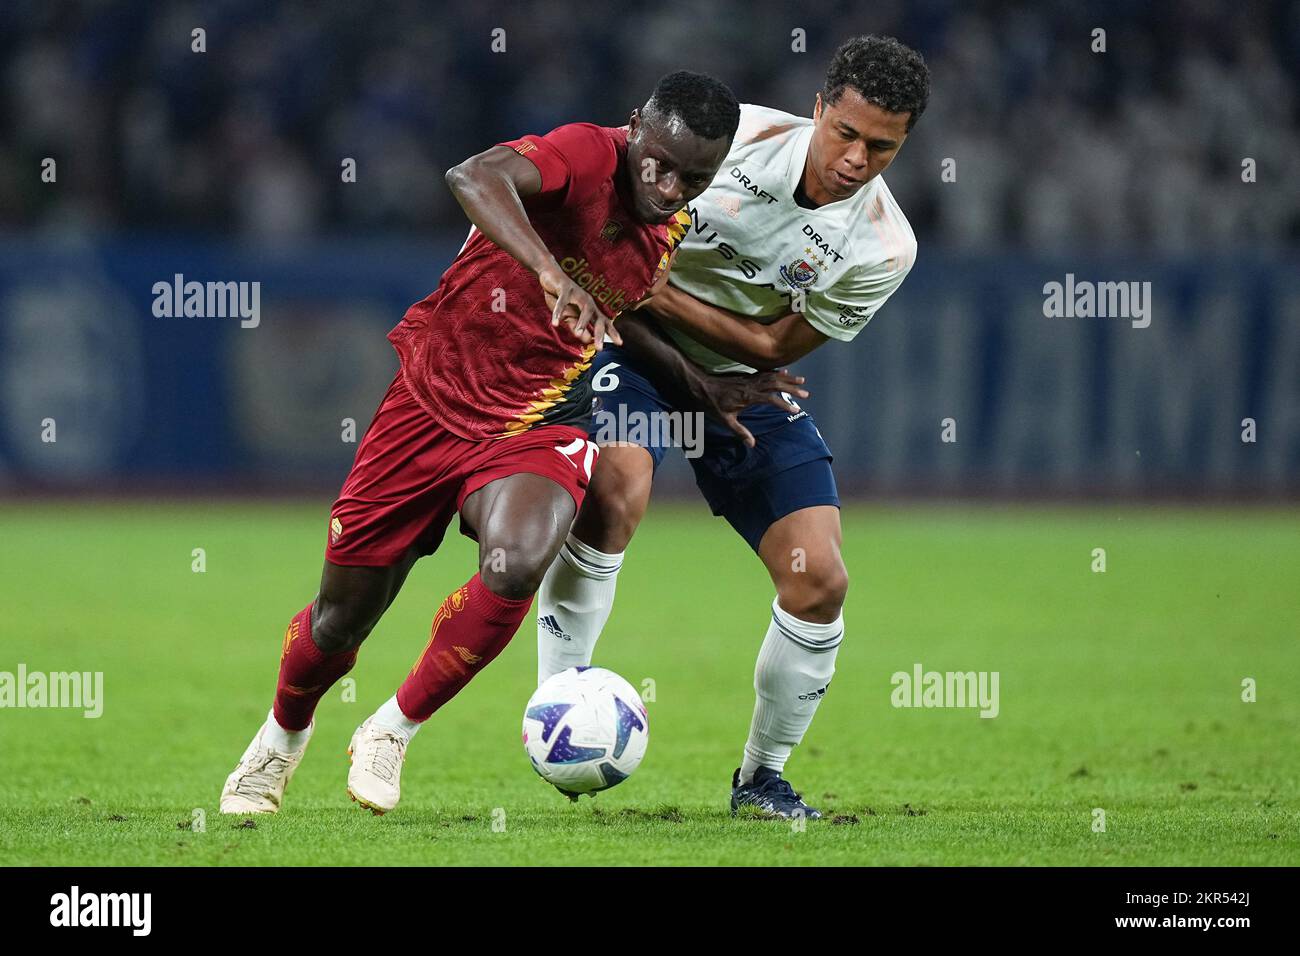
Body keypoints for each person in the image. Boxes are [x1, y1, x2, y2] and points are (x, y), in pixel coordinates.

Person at [220, 70, 746, 815]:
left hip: (540, 418)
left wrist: (698, 383)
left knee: (518, 562)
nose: (669, 185)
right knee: (341, 619)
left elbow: (622, 310)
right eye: (659, 162)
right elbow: (471, 175)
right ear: (635, 128)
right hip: (430, 403)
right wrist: (545, 271)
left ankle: (392, 727)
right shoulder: (585, 155)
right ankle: (278, 741)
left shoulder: (671, 228)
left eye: (695, 175)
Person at [536, 36, 931, 819]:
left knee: (819, 579)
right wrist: (635, 297)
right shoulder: (730, 138)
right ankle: (558, 708)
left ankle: (761, 780)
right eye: (846, 133)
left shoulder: (885, 246)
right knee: (618, 484)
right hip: (631, 350)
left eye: (882, 147)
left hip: (744, 387)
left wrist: (663, 294)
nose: (857, 158)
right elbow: (603, 230)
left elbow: (775, 345)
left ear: (905, 142)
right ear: (818, 109)